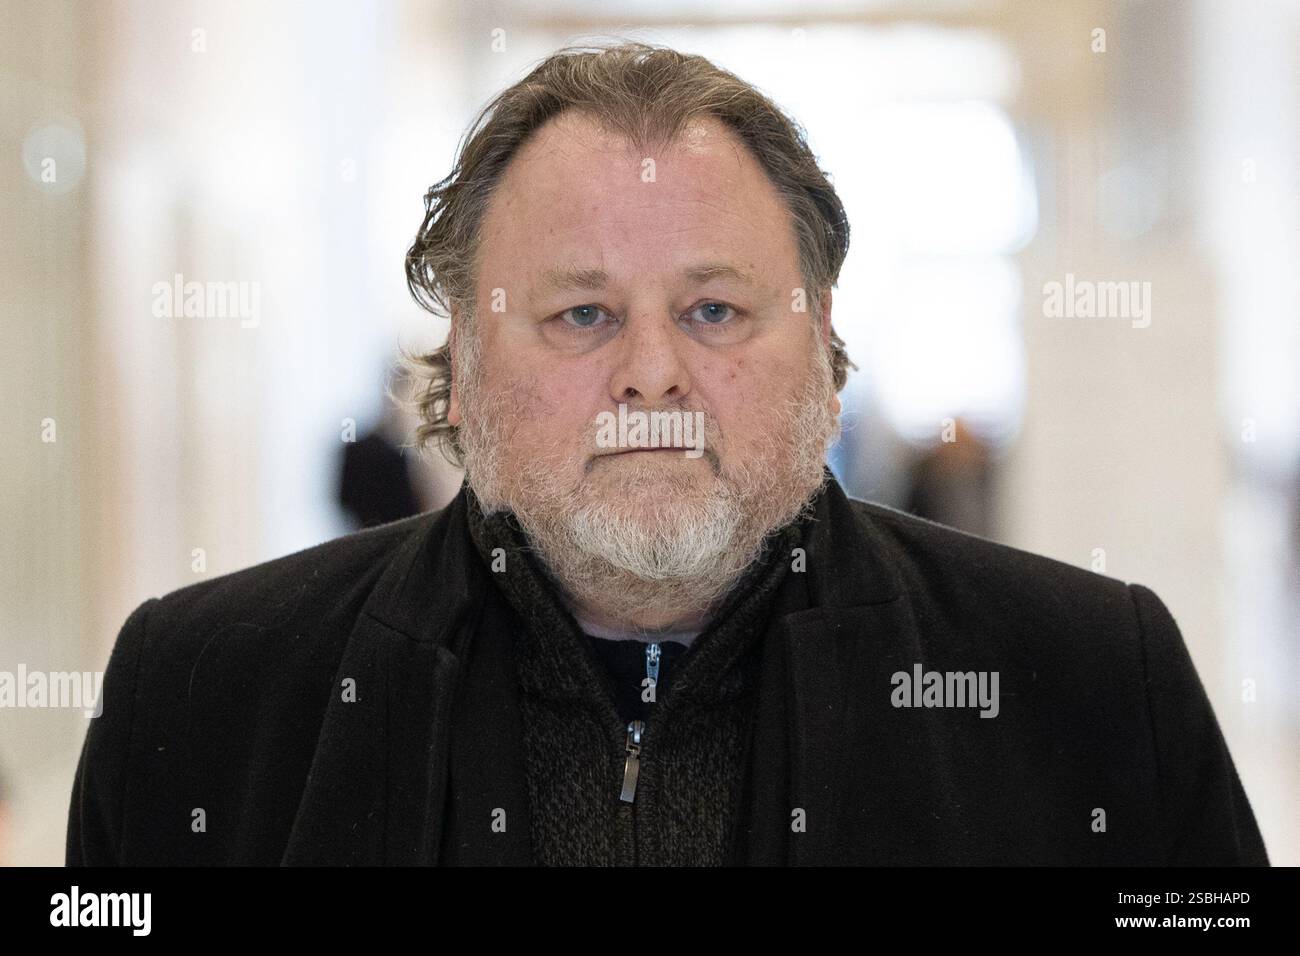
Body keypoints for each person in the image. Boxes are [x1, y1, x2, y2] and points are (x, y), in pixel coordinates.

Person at [67, 42, 1267, 866]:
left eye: (713, 311)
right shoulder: (205, 692)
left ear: (823, 340)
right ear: (465, 359)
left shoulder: (1095, 683)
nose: (651, 373)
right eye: (581, 313)